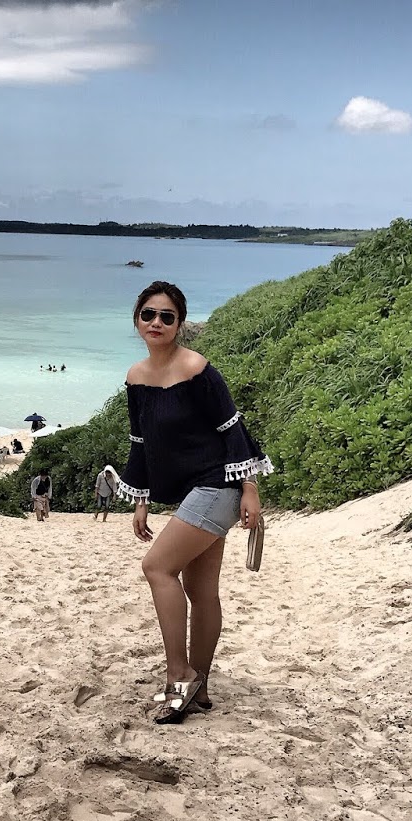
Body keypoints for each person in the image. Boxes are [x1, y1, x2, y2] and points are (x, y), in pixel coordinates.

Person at [115, 280, 271, 724]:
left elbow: (232, 429)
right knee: (201, 592)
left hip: (218, 485)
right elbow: (140, 441)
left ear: (180, 323)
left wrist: (250, 489)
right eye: (149, 315)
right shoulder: (136, 376)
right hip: (192, 491)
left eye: (167, 316)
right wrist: (141, 498)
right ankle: (198, 686)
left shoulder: (197, 368)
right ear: (137, 320)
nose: (157, 323)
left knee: (156, 567)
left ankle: (177, 676)